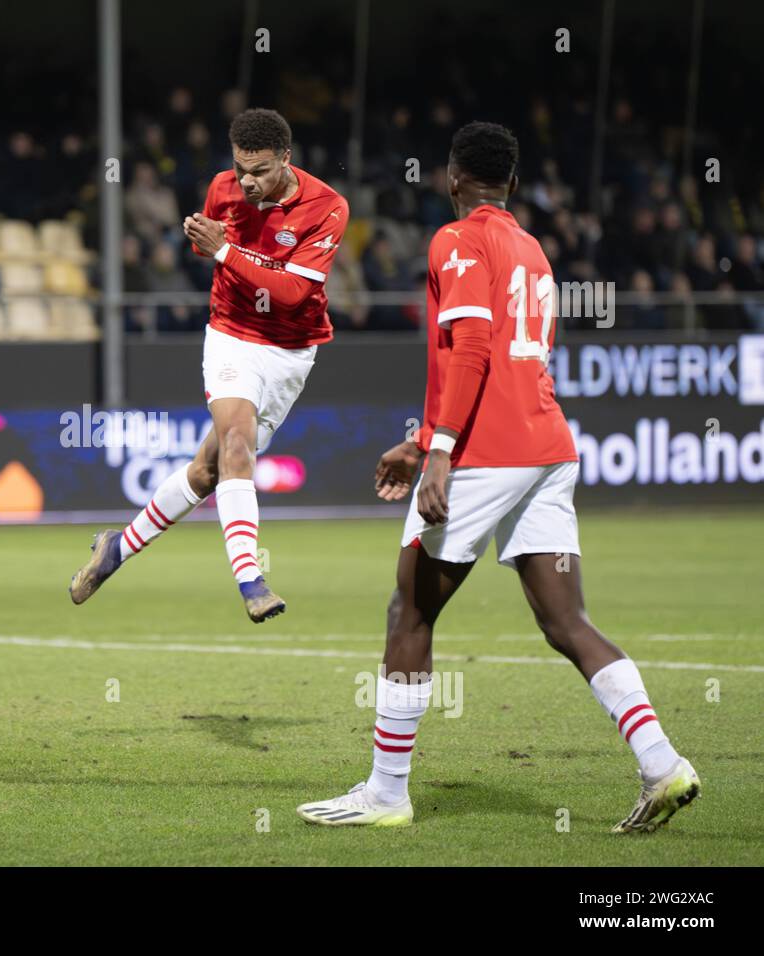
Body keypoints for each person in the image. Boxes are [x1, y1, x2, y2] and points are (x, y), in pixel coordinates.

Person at [296, 123, 699, 832]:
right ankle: (661, 761)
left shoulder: (455, 240)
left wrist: (441, 449)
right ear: (510, 184)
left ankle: (387, 792)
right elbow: (518, 353)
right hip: (548, 447)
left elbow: (474, 347)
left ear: (453, 179)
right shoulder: (534, 250)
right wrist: (423, 438)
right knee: (566, 620)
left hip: (487, 453)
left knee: (409, 610)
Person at [69, 108, 349, 623]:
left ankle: (116, 548)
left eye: (261, 170)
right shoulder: (222, 188)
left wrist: (223, 251)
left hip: (291, 350)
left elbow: (292, 292)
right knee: (238, 444)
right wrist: (208, 242)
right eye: (241, 167)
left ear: (286, 160)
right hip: (231, 336)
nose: (247, 181)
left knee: (207, 470)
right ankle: (251, 580)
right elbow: (218, 253)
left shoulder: (327, 207)